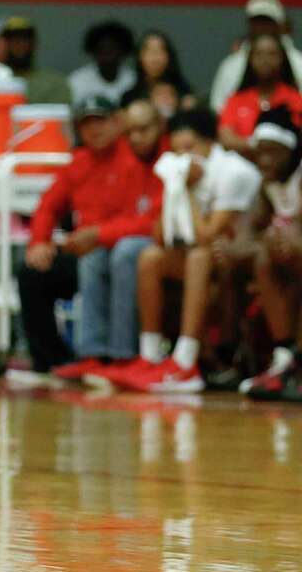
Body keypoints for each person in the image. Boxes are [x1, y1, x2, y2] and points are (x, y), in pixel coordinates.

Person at [114, 109, 262, 393]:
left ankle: (185, 361)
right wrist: (175, 186)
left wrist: (185, 189)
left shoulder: (235, 172)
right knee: (150, 257)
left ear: (211, 144)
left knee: (198, 257)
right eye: (178, 150)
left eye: (190, 148)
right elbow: (160, 237)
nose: (183, 157)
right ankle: (150, 355)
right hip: (208, 254)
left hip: (241, 258)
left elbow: (207, 237)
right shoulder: (176, 171)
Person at [16, 97, 161, 379]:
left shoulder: (136, 157)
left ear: (117, 122)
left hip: (117, 246)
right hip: (85, 248)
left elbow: (146, 220)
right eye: (87, 124)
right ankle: (52, 360)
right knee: (33, 271)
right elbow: (48, 205)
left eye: (101, 121)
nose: (94, 130)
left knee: (106, 256)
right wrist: (39, 241)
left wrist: (100, 234)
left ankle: (113, 355)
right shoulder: (78, 163)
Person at [237, 111, 302, 400]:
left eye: (273, 153)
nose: (264, 160)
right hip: (289, 261)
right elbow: (247, 234)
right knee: (264, 255)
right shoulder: (267, 183)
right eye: (259, 153)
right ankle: (284, 354)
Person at [210, 0, 302, 114]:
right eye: (257, 22)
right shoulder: (231, 64)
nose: (262, 27)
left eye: (268, 22)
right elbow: (218, 105)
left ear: (280, 25)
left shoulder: (298, 62)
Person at [218, 33, 302, 156]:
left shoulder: (295, 99)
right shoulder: (236, 100)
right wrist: (257, 146)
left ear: (282, 59)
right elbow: (226, 138)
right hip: (244, 165)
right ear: (250, 59)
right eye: (259, 54)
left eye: (272, 54)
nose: (265, 60)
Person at [0, 16, 71, 105]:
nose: (19, 45)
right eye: (12, 40)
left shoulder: (54, 83)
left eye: (25, 39)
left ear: (34, 44)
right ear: (2, 45)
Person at [121, 30, 197, 115]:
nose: (155, 58)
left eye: (160, 51)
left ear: (169, 57)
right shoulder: (130, 98)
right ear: (139, 57)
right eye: (149, 51)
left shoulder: (185, 97)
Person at [69, 20, 137, 105]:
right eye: (102, 50)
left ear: (124, 52)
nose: (107, 57)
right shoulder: (78, 81)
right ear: (93, 52)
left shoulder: (133, 80)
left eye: (112, 50)